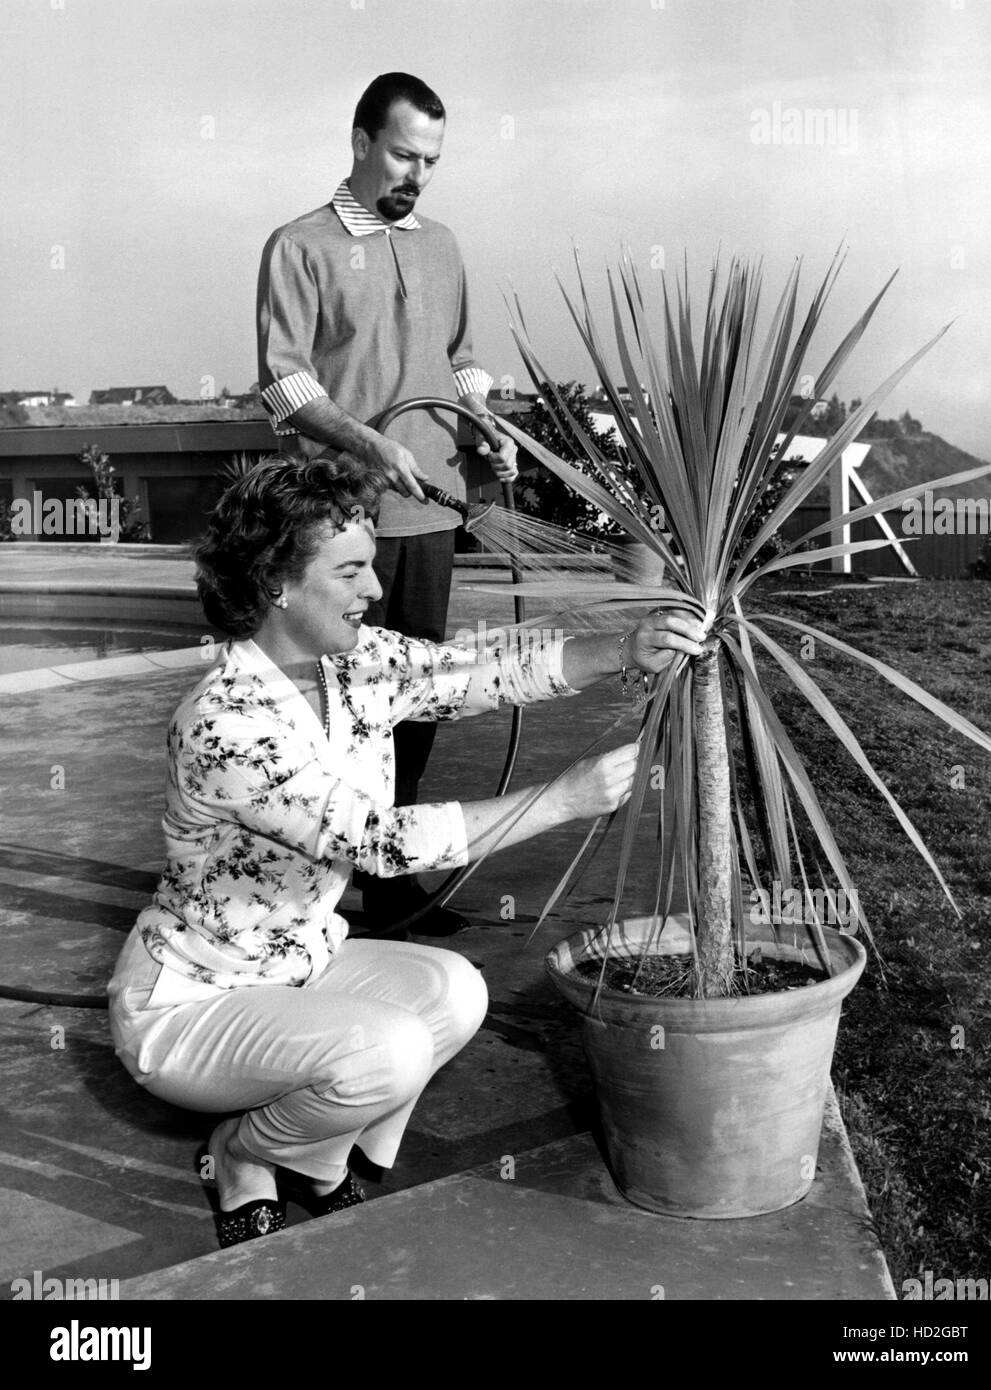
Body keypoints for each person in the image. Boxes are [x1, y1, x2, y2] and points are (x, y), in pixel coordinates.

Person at [106, 456, 705, 1249]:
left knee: (455, 993)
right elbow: (381, 844)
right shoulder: (225, 723)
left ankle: (315, 1157)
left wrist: (626, 648)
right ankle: (243, 1154)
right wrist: (561, 799)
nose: (376, 590)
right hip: (193, 1004)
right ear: (276, 583)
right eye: (351, 571)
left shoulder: (351, 664)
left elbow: (471, 672)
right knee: (386, 1052)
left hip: (303, 965)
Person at [256, 71, 517, 938]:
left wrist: (489, 430)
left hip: (431, 516)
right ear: (362, 140)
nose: (417, 174)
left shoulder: (442, 244)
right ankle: (310, 884)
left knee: (416, 700)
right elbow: (285, 386)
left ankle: (392, 884)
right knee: (333, 707)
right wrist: (370, 443)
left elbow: (463, 360)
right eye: (404, 153)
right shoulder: (300, 246)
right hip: (341, 523)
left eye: (432, 160)